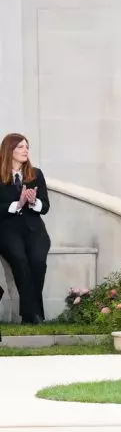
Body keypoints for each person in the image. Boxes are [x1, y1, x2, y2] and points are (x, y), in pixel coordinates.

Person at [0, 134, 51, 323]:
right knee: (21, 262)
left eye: (27, 147)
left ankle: (30, 314)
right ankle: (34, 315)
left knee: (38, 263)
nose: (25, 150)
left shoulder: (36, 174)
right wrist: (17, 204)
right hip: (7, 229)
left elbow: (45, 207)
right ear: (9, 150)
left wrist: (33, 202)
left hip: (34, 228)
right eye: (20, 147)